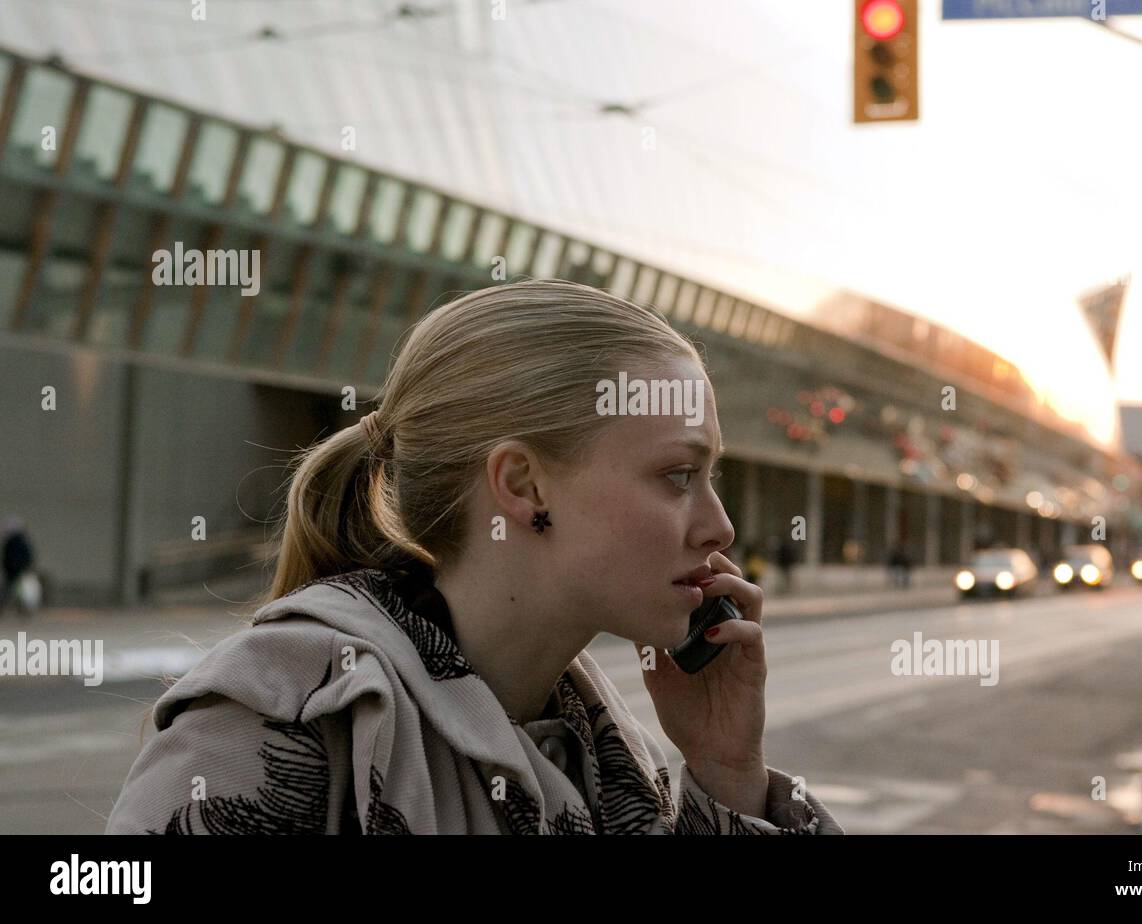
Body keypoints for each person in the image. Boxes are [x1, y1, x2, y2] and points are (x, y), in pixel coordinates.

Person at [106, 280, 842, 835]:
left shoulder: (617, 759)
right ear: (523, 486)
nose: (720, 527)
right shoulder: (278, 728)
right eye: (679, 476)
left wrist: (726, 776)